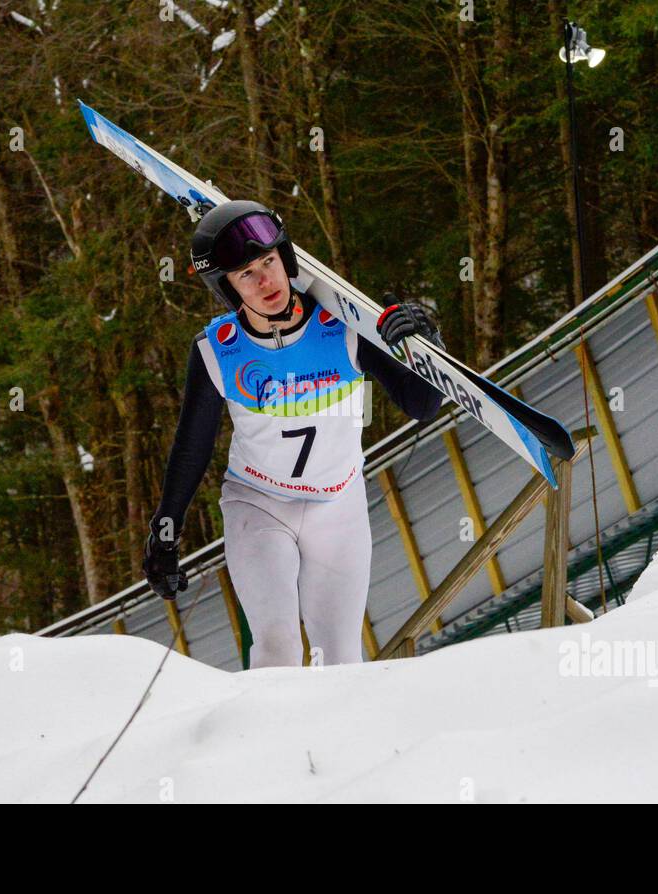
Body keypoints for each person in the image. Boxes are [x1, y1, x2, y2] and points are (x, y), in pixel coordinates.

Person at [142, 200, 445, 668]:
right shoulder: (216, 350)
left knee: (340, 658)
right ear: (227, 287)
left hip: (338, 506)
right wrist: (166, 530)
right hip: (259, 504)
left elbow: (422, 407)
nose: (266, 281)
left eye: (269, 262)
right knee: (279, 647)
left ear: (285, 258)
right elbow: (192, 444)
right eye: (247, 274)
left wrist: (428, 344)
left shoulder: (344, 326)